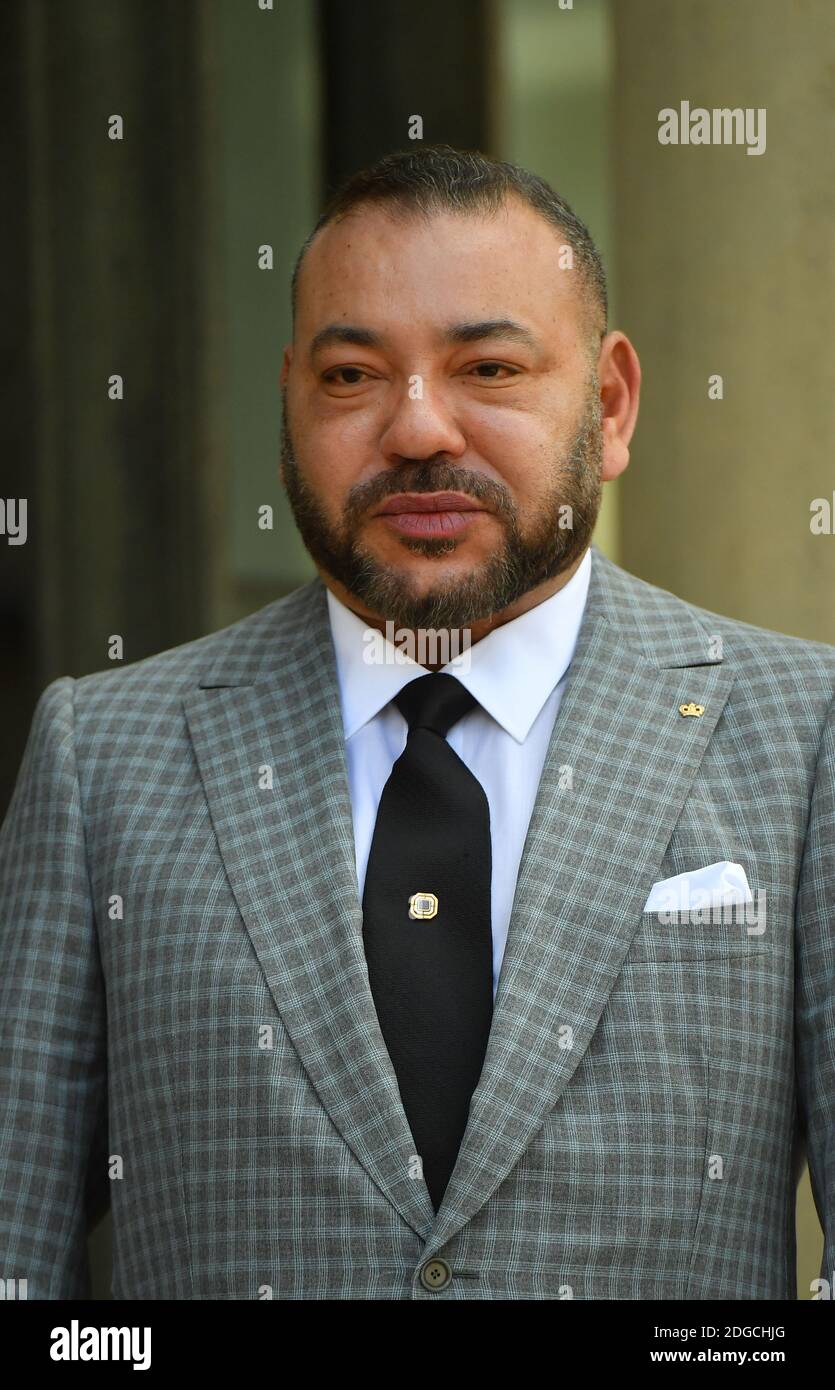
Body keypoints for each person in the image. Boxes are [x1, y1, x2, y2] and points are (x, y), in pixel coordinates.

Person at [1, 145, 833, 1301]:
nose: (417, 429)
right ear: (288, 401)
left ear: (609, 401)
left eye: (487, 367)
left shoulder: (804, 736)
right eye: (351, 378)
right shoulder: (106, 756)